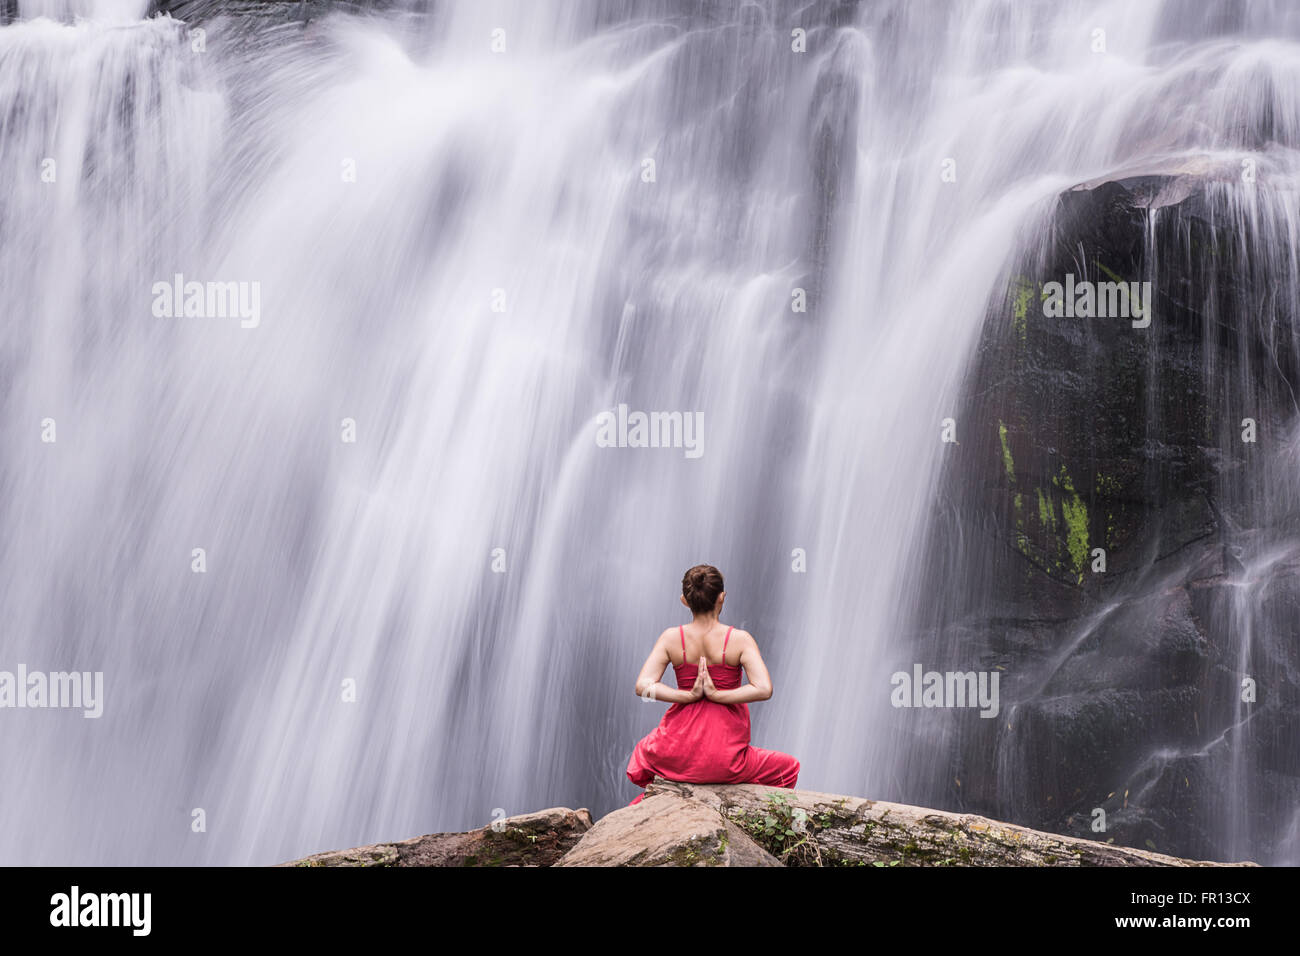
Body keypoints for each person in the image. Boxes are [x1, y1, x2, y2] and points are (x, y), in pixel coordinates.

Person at [626, 564, 800, 805]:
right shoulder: (740, 640)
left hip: (678, 752)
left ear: (684, 601)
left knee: (647, 748)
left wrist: (687, 695)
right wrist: (718, 695)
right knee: (788, 768)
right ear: (722, 597)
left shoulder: (671, 638)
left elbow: (642, 685)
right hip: (726, 758)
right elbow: (763, 689)